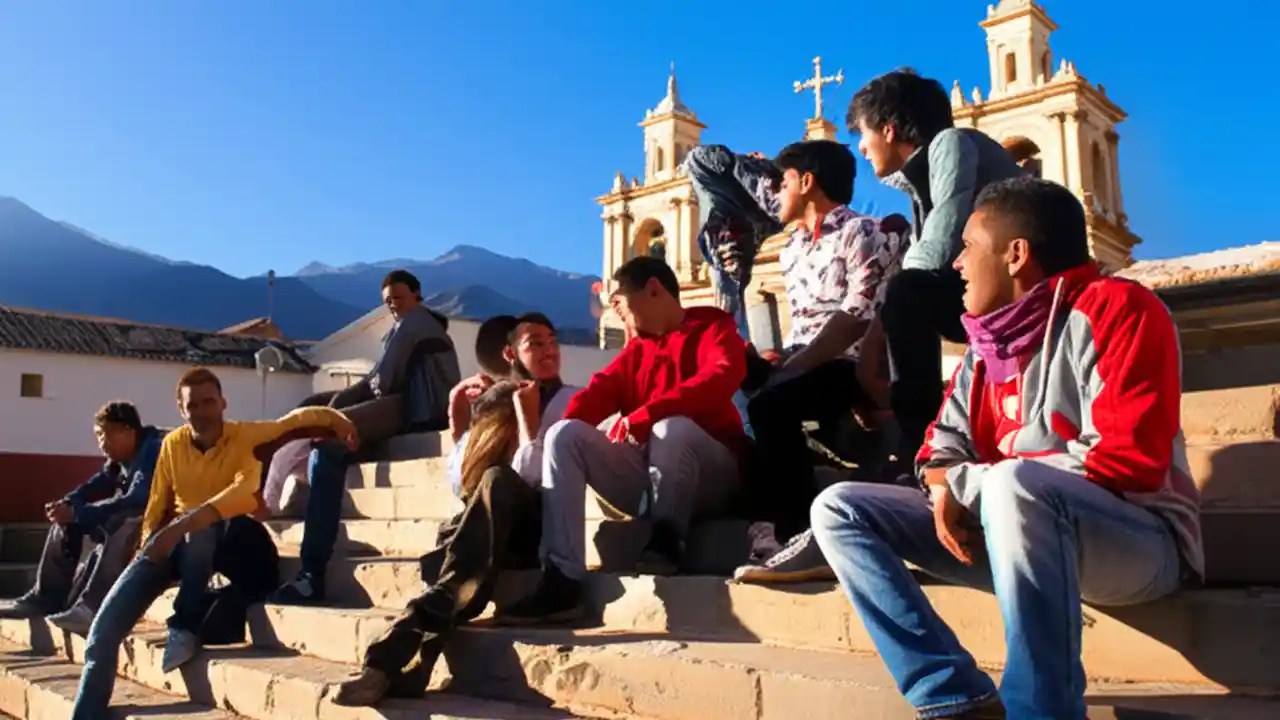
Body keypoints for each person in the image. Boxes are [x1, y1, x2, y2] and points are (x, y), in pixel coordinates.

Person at [810, 178, 1203, 720]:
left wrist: (965, 483)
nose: (957, 264)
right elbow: (938, 446)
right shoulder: (987, 341)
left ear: (1015, 254)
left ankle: (1041, 711)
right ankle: (952, 697)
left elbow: (1126, 459)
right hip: (1011, 536)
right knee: (839, 507)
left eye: (968, 246)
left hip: (1138, 544)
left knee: (1014, 482)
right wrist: (946, 479)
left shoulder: (1120, 308)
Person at [71, 368, 357, 720]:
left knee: (200, 529)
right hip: (178, 543)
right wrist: (149, 551)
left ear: (223, 403)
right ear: (181, 409)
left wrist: (340, 422)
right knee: (102, 633)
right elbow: (158, 503)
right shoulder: (172, 445)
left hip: (236, 539)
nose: (202, 411)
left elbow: (294, 424)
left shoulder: (246, 436)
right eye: (193, 405)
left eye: (209, 402)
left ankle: (184, 625)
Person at [332, 312, 581, 706]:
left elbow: (536, 479)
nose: (549, 350)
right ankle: (410, 665)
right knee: (462, 538)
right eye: (536, 343)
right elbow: (462, 482)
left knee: (493, 490)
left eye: (553, 341)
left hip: (535, 525)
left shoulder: (572, 400)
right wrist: (459, 419)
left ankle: (391, 655)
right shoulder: (495, 398)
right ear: (510, 352)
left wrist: (528, 424)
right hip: (488, 527)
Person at [495, 257, 746, 625]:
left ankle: (667, 538)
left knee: (669, 427)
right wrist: (551, 450)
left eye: (623, 307)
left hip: (714, 475)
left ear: (654, 291)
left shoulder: (713, 327)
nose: (622, 318)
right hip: (651, 479)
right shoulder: (637, 352)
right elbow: (596, 395)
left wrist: (646, 415)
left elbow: (723, 375)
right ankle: (562, 578)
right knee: (565, 435)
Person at [730, 140, 908, 585]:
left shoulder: (862, 232)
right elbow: (802, 325)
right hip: (805, 361)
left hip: (847, 364)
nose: (777, 194)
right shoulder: (790, 250)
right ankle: (757, 513)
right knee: (732, 379)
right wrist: (778, 359)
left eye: (784, 181)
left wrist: (796, 365)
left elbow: (857, 317)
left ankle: (791, 530)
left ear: (807, 182)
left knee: (770, 406)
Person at [846, 68, 1024, 465]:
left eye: (862, 134)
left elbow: (940, 242)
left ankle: (919, 444)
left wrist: (880, 329)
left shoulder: (951, 144)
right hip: (986, 295)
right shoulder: (918, 181)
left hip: (1021, 297)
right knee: (905, 296)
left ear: (888, 129)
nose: (861, 147)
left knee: (909, 292)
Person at [269, 269, 460, 605]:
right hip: (403, 403)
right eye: (388, 301)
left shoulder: (415, 321)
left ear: (416, 295)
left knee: (327, 442)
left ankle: (312, 573)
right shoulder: (403, 326)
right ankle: (291, 489)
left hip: (417, 409)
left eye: (398, 298)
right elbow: (377, 378)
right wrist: (333, 403)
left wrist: (339, 408)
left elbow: (383, 381)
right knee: (307, 410)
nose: (393, 306)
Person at [0, 402, 163, 635]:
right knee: (66, 521)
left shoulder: (152, 451)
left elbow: (137, 499)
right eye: (98, 436)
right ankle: (46, 598)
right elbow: (94, 486)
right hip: (132, 526)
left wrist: (80, 512)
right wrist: (67, 505)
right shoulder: (117, 461)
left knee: (125, 519)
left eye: (107, 435)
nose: (101, 443)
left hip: (162, 528)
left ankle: (90, 608)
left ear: (129, 432)